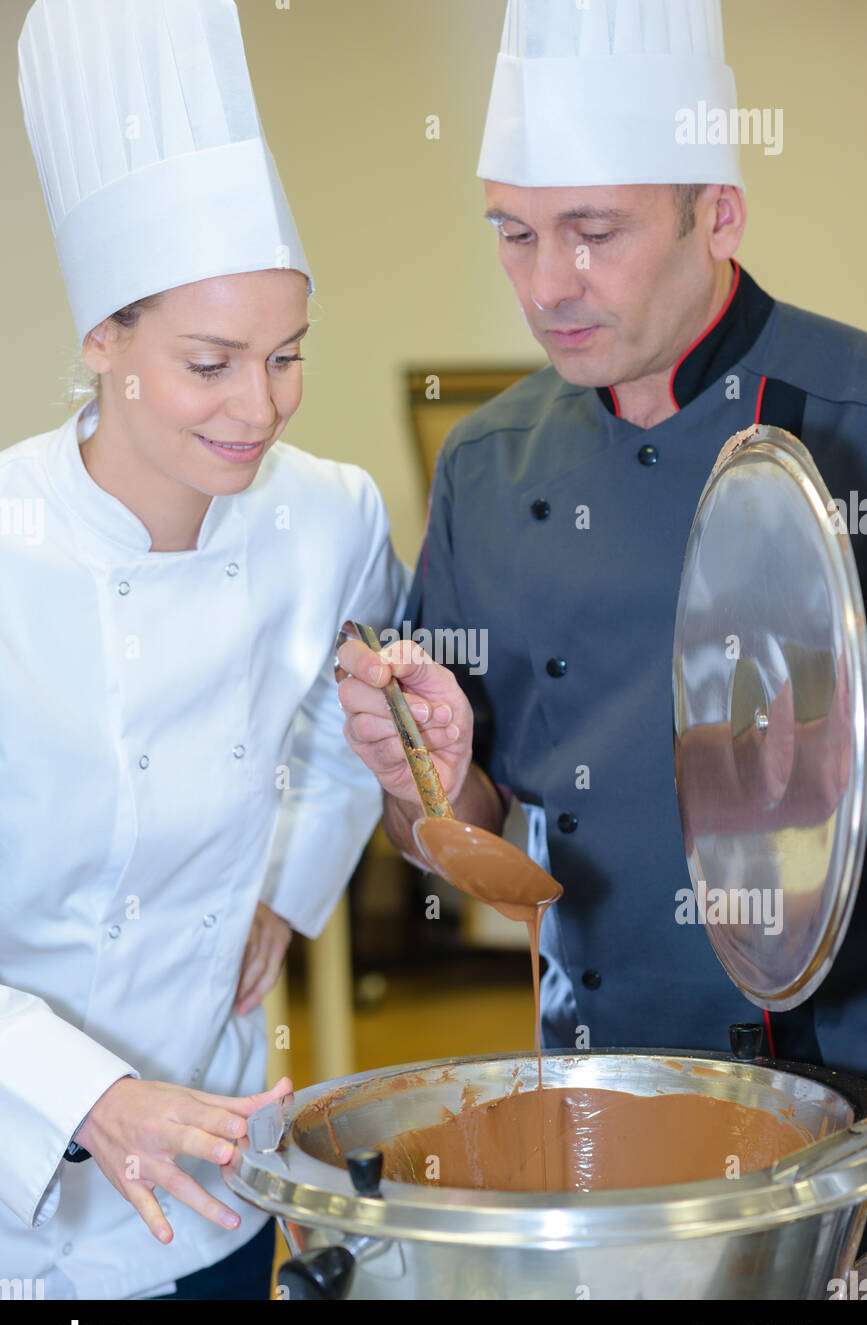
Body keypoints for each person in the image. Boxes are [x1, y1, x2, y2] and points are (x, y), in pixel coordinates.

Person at [338, 0, 867, 1076]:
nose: (545, 288)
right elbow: (461, 823)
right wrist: (423, 781)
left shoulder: (853, 413)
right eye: (515, 234)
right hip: (601, 1081)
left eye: (595, 233)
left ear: (718, 213)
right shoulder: (485, 467)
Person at [1, 0, 405, 1300]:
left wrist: (285, 891)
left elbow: (353, 727)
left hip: (224, 1153)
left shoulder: (327, 512)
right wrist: (87, 1095)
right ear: (101, 343)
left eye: (286, 358)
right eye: (208, 362)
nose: (259, 408)